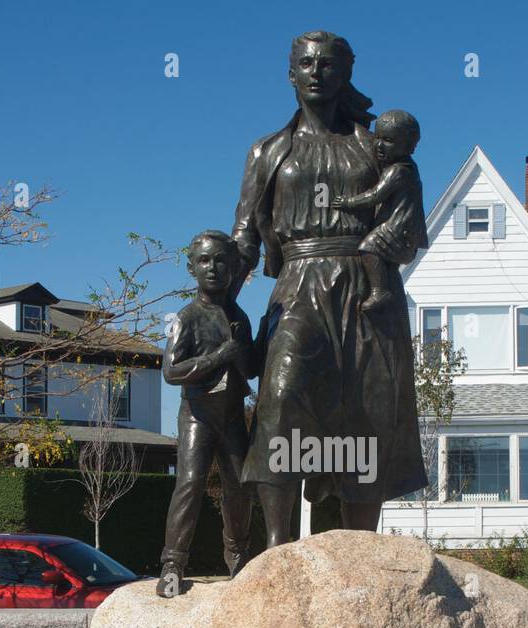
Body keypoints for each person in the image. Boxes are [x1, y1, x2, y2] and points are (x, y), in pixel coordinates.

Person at [231, 30, 427, 549]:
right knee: (280, 398)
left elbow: (408, 222)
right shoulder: (268, 151)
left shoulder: (374, 145)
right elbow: (245, 236)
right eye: (306, 63)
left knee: (369, 412)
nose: (316, 71)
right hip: (297, 284)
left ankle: (359, 549)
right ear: (290, 73)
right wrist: (216, 302)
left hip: (367, 287)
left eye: (328, 64)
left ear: (346, 73)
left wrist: (391, 244)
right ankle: (277, 549)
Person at [156, 231, 255, 598]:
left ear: (232, 268)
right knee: (190, 484)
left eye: (221, 261)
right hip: (198, 413)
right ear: (191, 268)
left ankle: (239, 558)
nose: (212, 268)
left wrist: (249, 348)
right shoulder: (187, 317)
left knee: (240, 486)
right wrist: (218, 357)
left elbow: (250, 366)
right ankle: (172, 565)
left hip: (232, 414)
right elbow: (170, 371)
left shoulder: (239, 316)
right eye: (204, 261)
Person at [332, 108, 426, 312]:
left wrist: (347, 203)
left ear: (408, 146)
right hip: (402, 229)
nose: (379, 145)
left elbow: (374, 195)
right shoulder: (406, 168)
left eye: (389, 140)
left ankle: (379, 290)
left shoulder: (398, 171)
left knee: (369, 245)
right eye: (378, 138)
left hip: (399, 229)